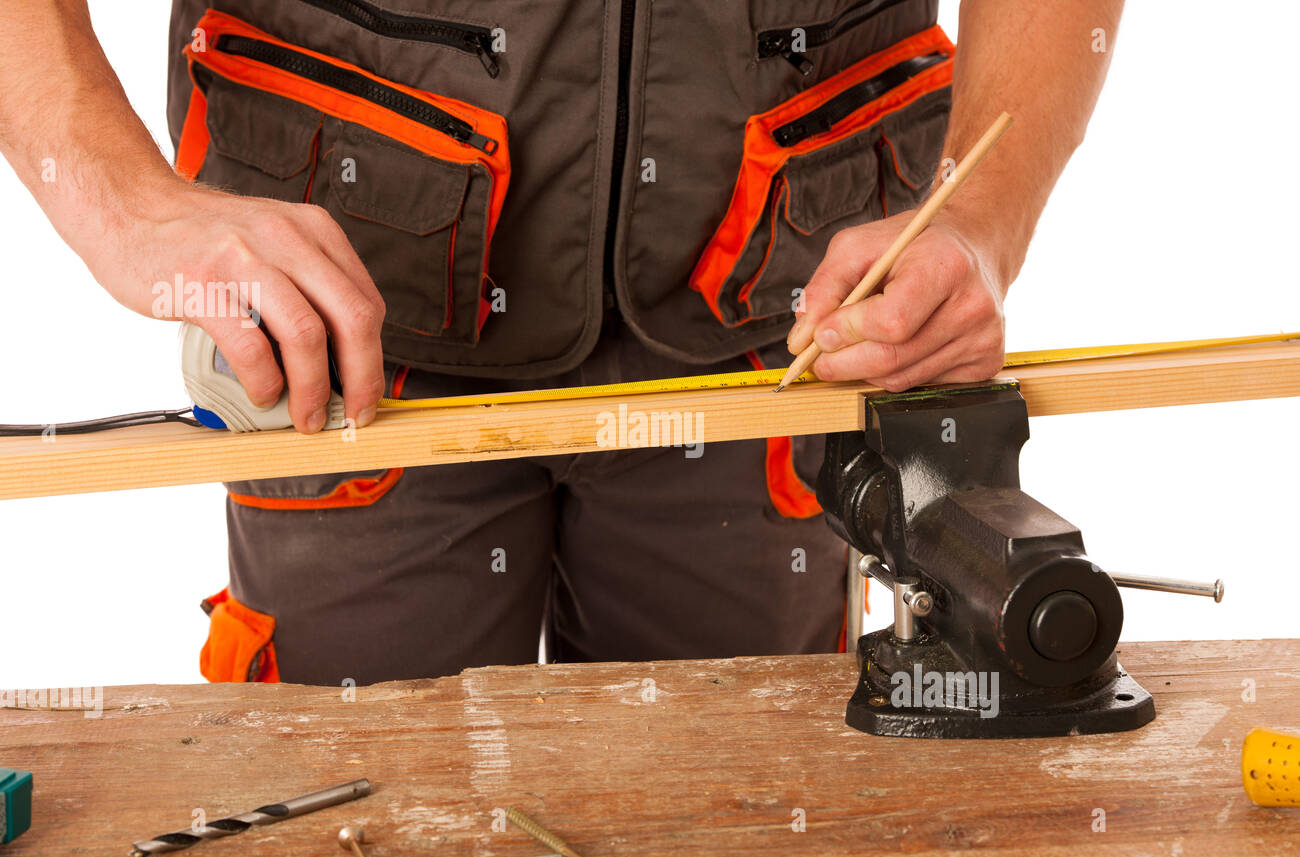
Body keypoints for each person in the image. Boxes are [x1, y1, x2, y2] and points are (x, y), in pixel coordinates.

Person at [0, 1, 1123, 684]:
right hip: (350, 332)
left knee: (727, 810)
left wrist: (982, 216)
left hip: (776, 323)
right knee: (359, 803)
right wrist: (118, 202)